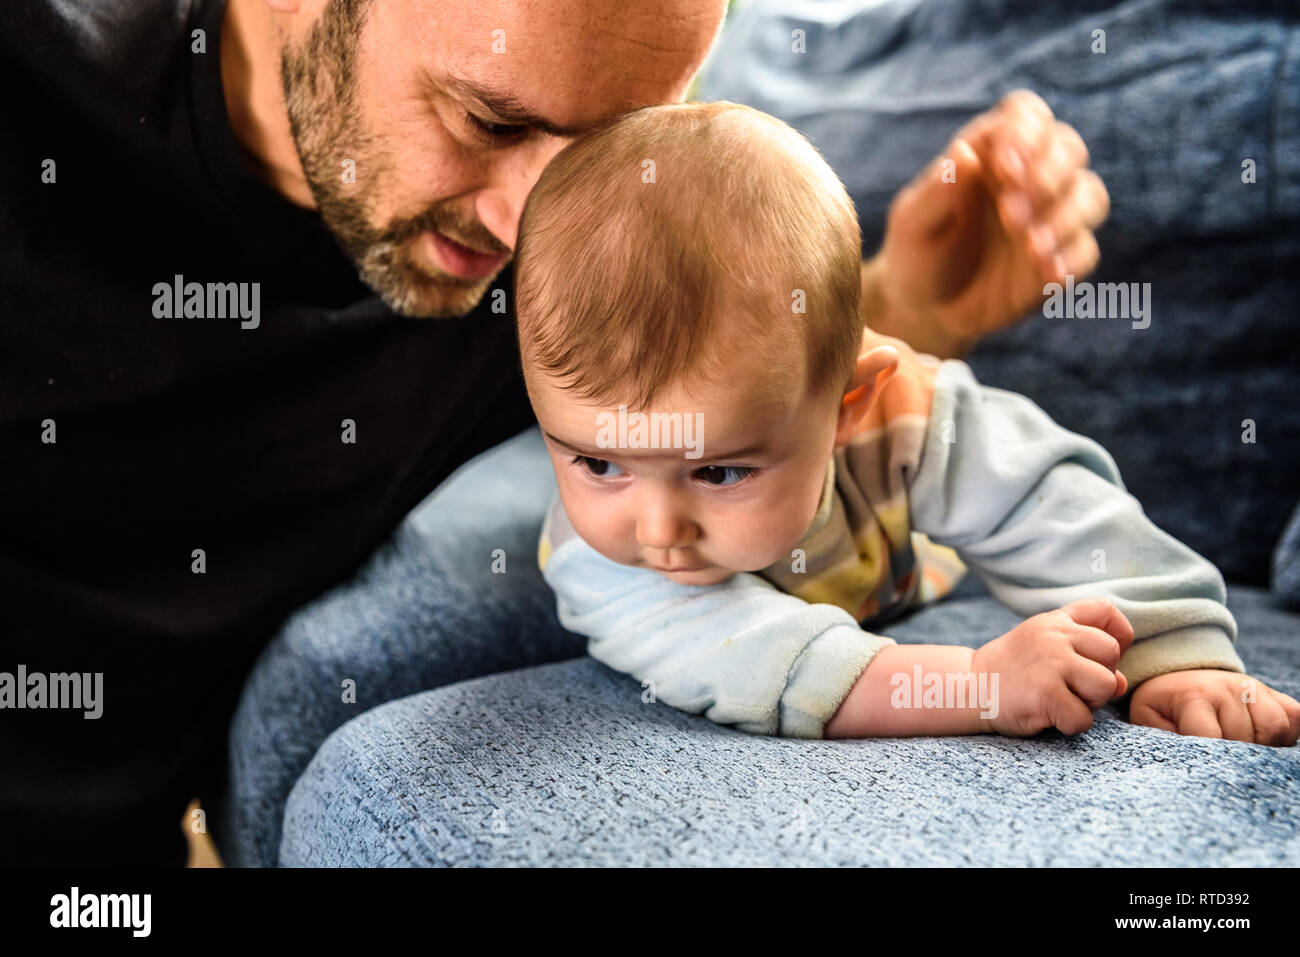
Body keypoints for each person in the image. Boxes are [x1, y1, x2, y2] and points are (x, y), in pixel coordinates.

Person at [0, 0, 1110, 865]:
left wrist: (913, 303)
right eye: (489, 121)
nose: (538, 229)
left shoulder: (576, 246)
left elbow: (713, 422)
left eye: (613, 144)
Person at [518, 101, 1300, 744]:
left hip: (921, 563)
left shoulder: (903, 415)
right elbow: (775, 667)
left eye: (718, 471)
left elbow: (1051, 501)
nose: (658, 529)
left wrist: (1178, 654)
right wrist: (980, 684)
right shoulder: (599, 562)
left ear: (848, 406)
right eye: (599, 463)